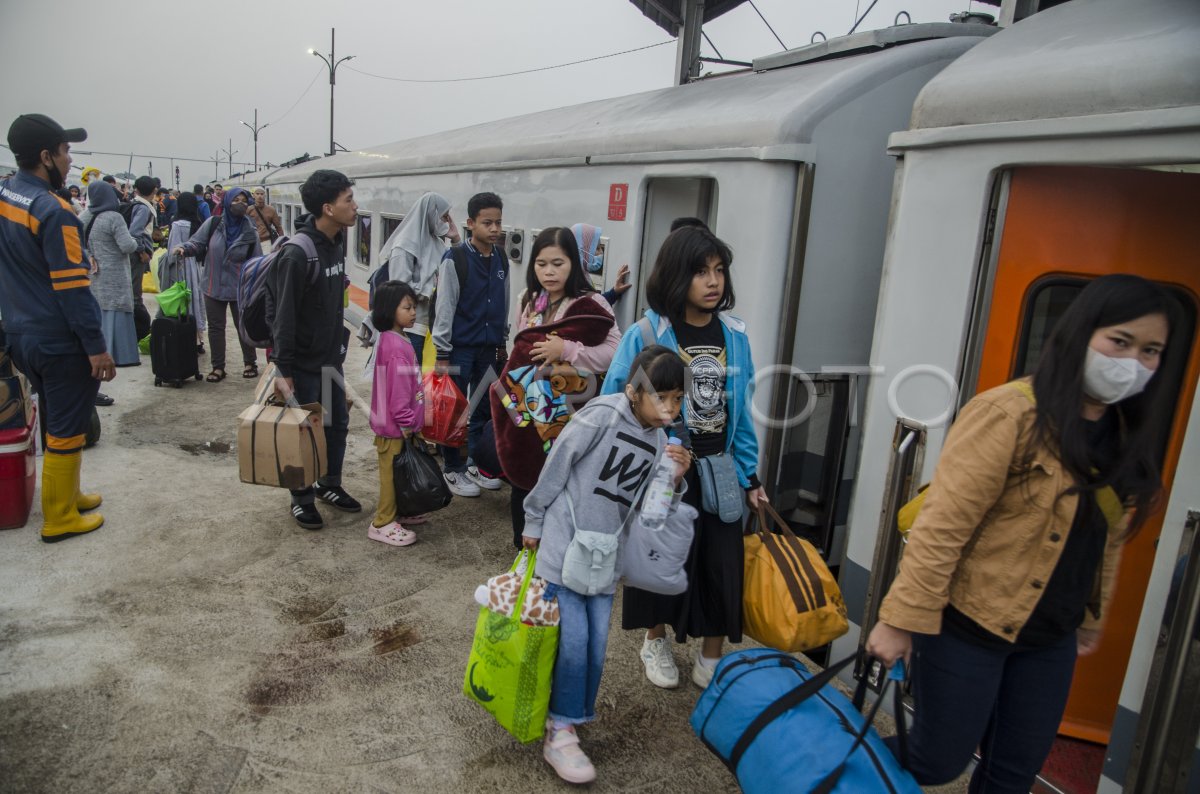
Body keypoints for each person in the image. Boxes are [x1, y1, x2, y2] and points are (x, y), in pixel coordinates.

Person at [865, 274, 1176, 793]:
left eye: (1150, 351)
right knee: (936, 760)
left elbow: (1105, 541)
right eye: (1119, 342)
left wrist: (1091, 618)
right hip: (969, 626)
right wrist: (899, 622)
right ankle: (818, 765)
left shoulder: (1124, 436)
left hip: (1048, 636)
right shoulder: (1009, 413)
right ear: (1081, 333)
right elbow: (942, 528)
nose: (1132, 362)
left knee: (1012, 774)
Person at [601, 225, 767, 689]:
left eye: (718, 271)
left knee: (721, 561)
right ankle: (655, 640)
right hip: (664, 467)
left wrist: (751, 476)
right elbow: (616, 397)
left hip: (720, 467)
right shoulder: (649, 331)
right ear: (677, 275)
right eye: (700, 272)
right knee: (661, 556)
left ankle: (712, 655)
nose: (713, 281)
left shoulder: (734, 335)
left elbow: (742, 411)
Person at [522, 344, 692, 784]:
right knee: (573, 639)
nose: (669, 408)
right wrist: (535, 519)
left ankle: (567, 719)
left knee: (595, 643)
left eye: (677, 399)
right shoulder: (600, 415)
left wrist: (675, 479)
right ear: (635, 391)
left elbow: (652, 516)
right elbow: (556, 467)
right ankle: (560, 730)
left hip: (603, 557)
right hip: (564, 543)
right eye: (661, 397)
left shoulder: (660, 443)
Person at [0, 113, 114, 542]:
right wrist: (96, 346)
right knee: (67, 425)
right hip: (59, 338)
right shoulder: (55, 211)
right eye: (66, 152)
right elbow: (72, 288)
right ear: (45, 156)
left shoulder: (5, 195)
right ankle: (60, 516)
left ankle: (71, 493)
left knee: (54, 415)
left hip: (22, 336)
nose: (70, 161)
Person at [502, 226, 622, 548]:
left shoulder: (592, 303)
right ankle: (525, 554)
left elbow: (615, 353)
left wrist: (566, 351)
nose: (549, 272)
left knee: (565, 483)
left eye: (559, 263)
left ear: (574, 264)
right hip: (531, 414)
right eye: (541, 264)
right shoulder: (528, 300)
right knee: (526, 481)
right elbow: (518, 348)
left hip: (572, 416)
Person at [267, 169, 362, 530]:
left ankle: (330, 485)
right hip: (302, 363)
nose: (355, 206)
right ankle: (301, 498)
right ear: (327, 207)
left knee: (337, 425)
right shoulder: (297, 254)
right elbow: (283, 317)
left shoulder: (337, 242)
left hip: (329, 360)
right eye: (348, 200)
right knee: (302, 432)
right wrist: (283, 370)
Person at [431, 191, 509, 497]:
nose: (494, 229)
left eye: (498, 223)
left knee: (481, 409)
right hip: (459, 348)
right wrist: (441, 351)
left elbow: (503, 297)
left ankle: (476, 462)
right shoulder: (456, 259)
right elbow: (445, 307)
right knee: (454, 409)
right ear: (470, 223)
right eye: (487, 222)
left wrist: (503, 339)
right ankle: (453, 469)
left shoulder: (501, 257)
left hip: (489, 347)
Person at [171, 187, 261, 381]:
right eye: (236, 199)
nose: (241, 203)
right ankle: (218, 367)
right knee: (216, 327)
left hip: (240, 287)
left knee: (243, 325)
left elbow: (257, 261)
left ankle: (250, 363)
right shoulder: (213, 224)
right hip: (213, 284)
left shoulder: (250, 230)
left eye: (244, 200)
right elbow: (197, 243)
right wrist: (184, 249)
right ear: (227, 202)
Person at [367, 280, 428, 546]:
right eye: (407, 307)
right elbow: (399, 392)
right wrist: (406, 422)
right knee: (391, 476)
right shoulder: (396, 348)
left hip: (397, 424)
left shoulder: (394, 339)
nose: (414, 312)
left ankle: (400, 513)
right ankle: (382, 523)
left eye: (413, 306)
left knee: (399, 472)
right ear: (390, 310)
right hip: (394, 427)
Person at [376, 192, 458, 364]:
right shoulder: (404, 247)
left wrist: (456, 240)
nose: (446, 221)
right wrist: (430, 291)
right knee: (412, 379)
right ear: (431, 214)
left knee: (426, 383)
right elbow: (399, 288)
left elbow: (454, 272)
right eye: (443, 216)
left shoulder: (438, 244)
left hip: (433, 329)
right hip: (413, 329)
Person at [79, 181, 140, 367]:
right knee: (117, 308)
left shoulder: (84, 216)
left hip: (94, 272)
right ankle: (121, 356)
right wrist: (136, 241)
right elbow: (127, 246)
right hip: (115, 273)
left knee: (100, 309)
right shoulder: (114, 217)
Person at [161, 192, 208, 351]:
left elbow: (172, 251)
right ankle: (198, 340)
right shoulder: (198, 222)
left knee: (183, 302)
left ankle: (185, 340)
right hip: (195, 266)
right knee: (195, 300)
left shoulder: (177, 224)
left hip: (182, 267)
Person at [570, 223, 632, 308]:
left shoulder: (582, 275)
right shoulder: (573, 283)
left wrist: (614, 292)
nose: (601, 253)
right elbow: (592, 308)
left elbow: (594, 304)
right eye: (597, 248)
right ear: (582, 250)